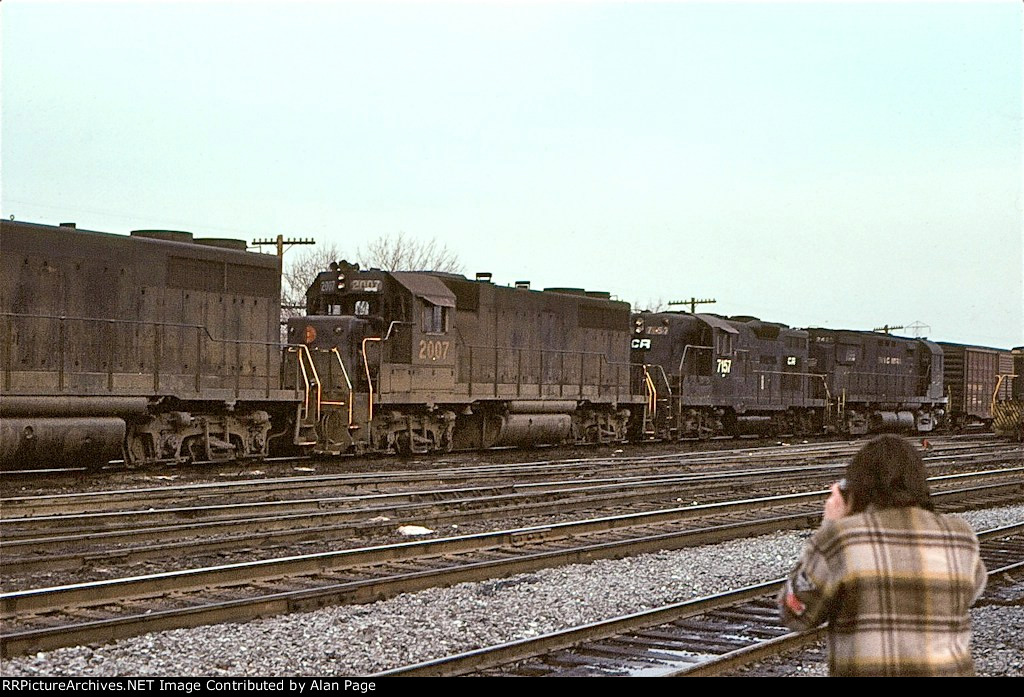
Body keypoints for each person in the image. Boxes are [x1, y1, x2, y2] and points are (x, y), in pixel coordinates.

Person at [778, 434, 987, 676]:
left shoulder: (841, 539)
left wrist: (829, 526)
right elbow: (972, 591)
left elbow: (795, 614)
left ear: (855, 486)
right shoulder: (960, 536)